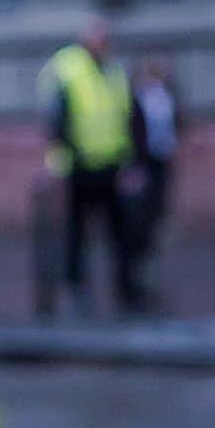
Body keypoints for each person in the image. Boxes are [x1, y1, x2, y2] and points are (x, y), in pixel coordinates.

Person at [39, 17, 142, 314]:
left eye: (105, 38)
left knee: (120, 233)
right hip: (79, 167)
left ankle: (126, 287)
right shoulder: (69, 69)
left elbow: (127, 117)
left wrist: (129, 161)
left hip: (112, 165)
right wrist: (60, 163)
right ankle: (75, 288)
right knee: (76, 233)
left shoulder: (113, 70)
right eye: (98, 37)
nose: (102, 43)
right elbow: (56, 120)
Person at [129, 56, 181, 288]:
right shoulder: (136, 99)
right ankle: (140, 260)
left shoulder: (165, 97)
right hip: (143, 162)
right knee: (141, 214)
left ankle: (151, 255)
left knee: (159, 210)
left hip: (162, 160)